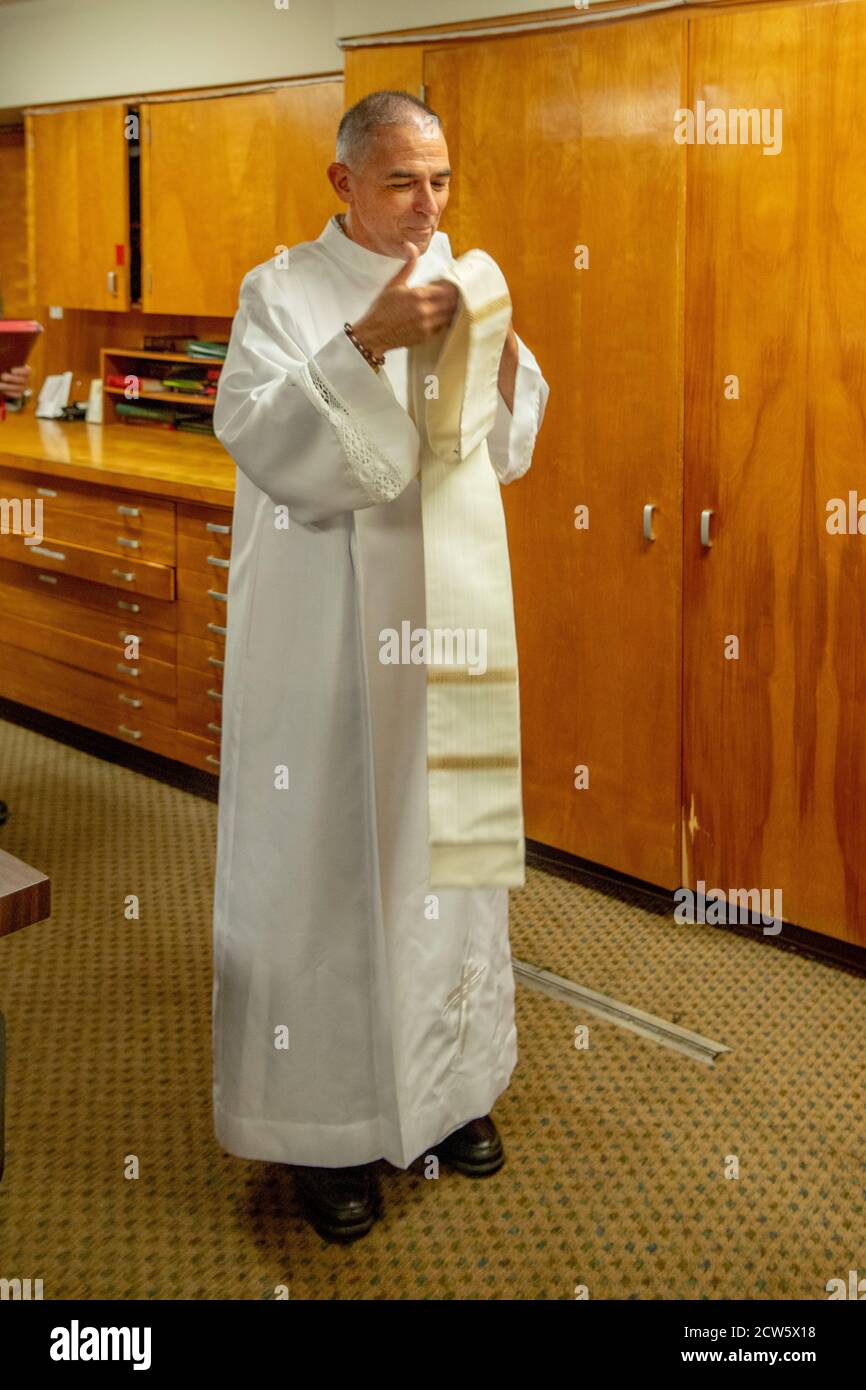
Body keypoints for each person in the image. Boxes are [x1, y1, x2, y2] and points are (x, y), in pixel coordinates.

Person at [212, 89, 550, 1242]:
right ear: (342, 182)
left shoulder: (461, 272)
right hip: (325, 627)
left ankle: (450, 1089)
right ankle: (328, 1127)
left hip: (444, 616)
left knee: (445, 851)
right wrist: (368, 343)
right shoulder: (281, 291)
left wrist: (491, 346)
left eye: (442, 180)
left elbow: (506, 438)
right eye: (403, 181)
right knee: (327, 864)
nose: (427, 205)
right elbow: (256, 435)